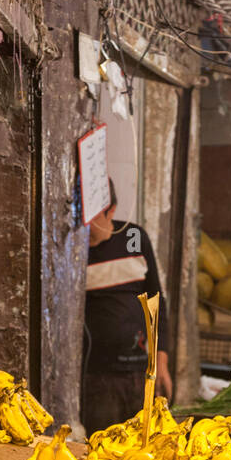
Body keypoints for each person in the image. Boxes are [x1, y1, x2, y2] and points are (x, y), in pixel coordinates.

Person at [82, 179, 172, 436]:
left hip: (141, 371)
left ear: (111, 210)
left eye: (93, 216)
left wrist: (161, 363)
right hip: (98, 377)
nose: (86, 224)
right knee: (103, 447)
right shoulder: (73, 252)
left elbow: (156, 301)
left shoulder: (134, 237)